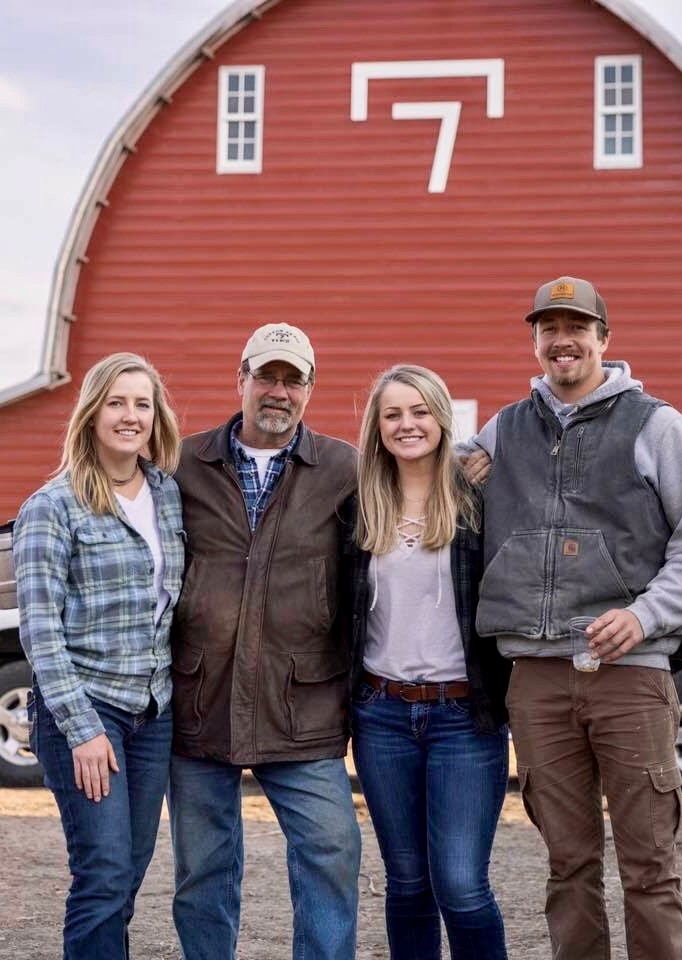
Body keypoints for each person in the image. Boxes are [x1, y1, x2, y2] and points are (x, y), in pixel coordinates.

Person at [466, 277, 682, 960]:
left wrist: (643, 617)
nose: (561, 341)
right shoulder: (504, 428)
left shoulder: (655, 425)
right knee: (567, 865)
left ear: (603, 340)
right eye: (547, 329)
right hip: (536, 682)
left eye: (576, 328)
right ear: (535, 341)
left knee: (648, 869)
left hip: (628, 678)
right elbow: (441, 497)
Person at [168, 322, 360, 960]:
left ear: (310, 389)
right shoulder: (183, 462)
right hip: (201, 698)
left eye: (292, 379)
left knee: (331, 853)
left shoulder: (344, 468)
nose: (278, 391)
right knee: (203, 869)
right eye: (266, 376)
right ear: (241, 379)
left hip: (301, 701)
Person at [13, 352, 185, 959]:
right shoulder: (52, 506)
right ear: (91, 414)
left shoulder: (167, 494)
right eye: (116, 402)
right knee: (104, 872)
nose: (130, 416)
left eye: (142, 404)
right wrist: (83, 729)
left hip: (152, 711)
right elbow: (39, 628)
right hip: (87, 712)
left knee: (129, 870)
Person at [344, 364, 511, 960]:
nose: (407, 424)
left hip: (464, 716)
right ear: (377, 426)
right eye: (393, 414)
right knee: (408, 884)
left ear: (441, 418)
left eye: (419, 412)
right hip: (381, 714)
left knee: (462, 887)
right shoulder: (359, 505)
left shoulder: (479, 500)